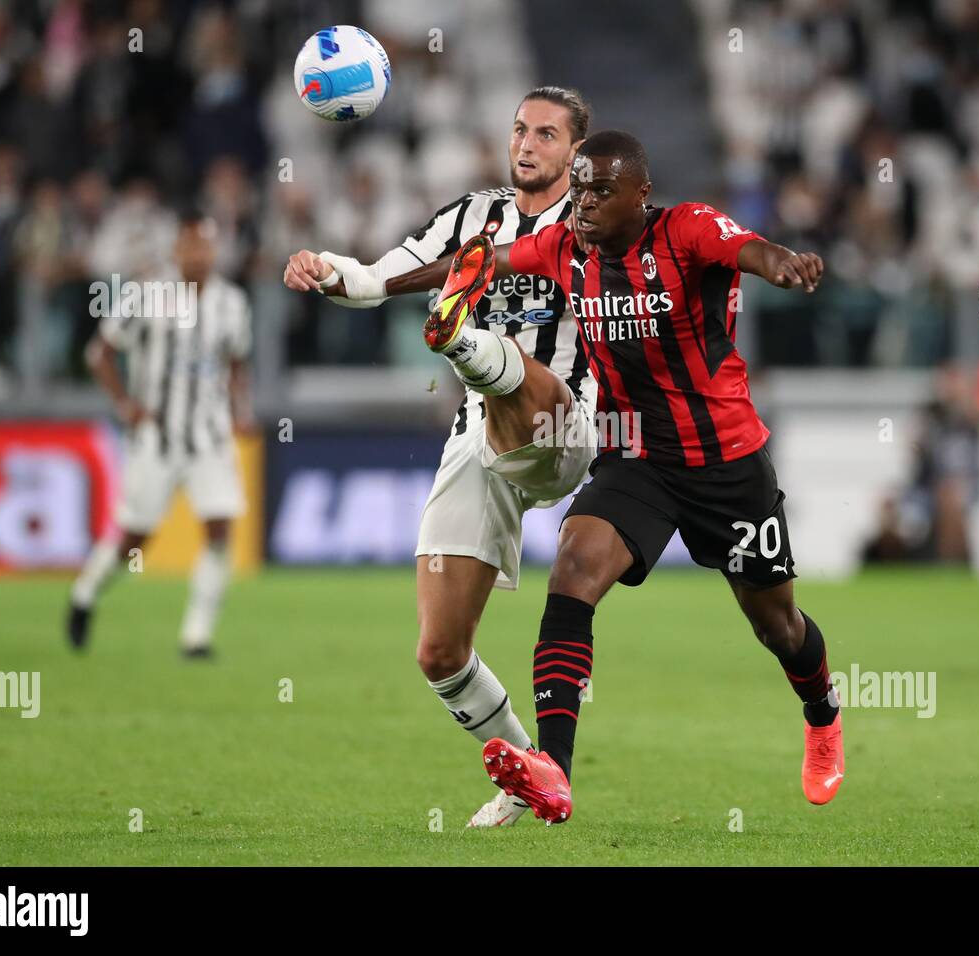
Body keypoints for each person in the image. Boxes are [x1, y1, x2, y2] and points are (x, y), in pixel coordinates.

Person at [377, 130, 841, 824]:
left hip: (726, 463)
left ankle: (822, 716)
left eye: (599, 190)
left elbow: (748, 251)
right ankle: (553, 774)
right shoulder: (567, 248)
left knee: (777, 625)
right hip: (636, 460)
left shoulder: (685, 230)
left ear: (640, 195)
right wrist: (375, 284)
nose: (583, 202)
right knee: (573, 571)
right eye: (580, 187)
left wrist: (784, 266)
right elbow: (483, 260)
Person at [283, 87, 597, 827]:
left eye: (546, 135)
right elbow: (371, 279)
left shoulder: (596, 224)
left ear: (576, 153)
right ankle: (532, 775)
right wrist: (325, 267)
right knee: (439, 652)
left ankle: (459, 338)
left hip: (566, 427)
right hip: (479, 436)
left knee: (518, 370)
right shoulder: (469, 216)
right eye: (519, 129)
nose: (526, 144)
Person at [68, 209, 253, 658]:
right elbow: (100, 353)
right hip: (156, 436)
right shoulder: (147, 294)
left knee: (219, 528)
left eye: (206, 246)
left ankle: (196, 635)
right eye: (190, 245)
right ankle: (86, 592)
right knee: (136, 537)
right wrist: (125, 405)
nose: (198, 255)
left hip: (208, 437)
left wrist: (238, 412)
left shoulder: (232, 302)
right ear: (176, 249)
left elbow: (234, 364)